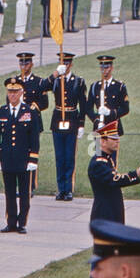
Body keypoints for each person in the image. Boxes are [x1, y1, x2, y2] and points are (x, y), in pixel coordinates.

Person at [0, 75, 40, 234]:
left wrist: (33, 157)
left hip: (24, 159)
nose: (12, 95)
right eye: (10, 92)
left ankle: (22, 223)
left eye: (15, 92)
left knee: (24, 193)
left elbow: (34, 136)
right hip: (7, 159)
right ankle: (10, 222)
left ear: (21, 93)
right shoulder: (1, 111)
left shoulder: (30, 111)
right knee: (9, 193)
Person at [87, 119, 140, 224]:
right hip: (105, 216)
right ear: (103, 141)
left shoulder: (106, 158)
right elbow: (116, 180)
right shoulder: (98, 163)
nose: (117, 141)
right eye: (113, 139)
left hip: (111, 214)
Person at [44, 52, 87, 201]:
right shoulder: (56, 80)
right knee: (59, 157)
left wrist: (81, 124)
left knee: (69, 157)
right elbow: (42, 86)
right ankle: (60, 189)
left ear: (71, 64)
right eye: (63, 63)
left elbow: (83, 105)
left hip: (72, 121)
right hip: (57, 121)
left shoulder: (78, 82)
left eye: (67, 63)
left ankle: (68, 189)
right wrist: (55, 73)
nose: (66, 66)